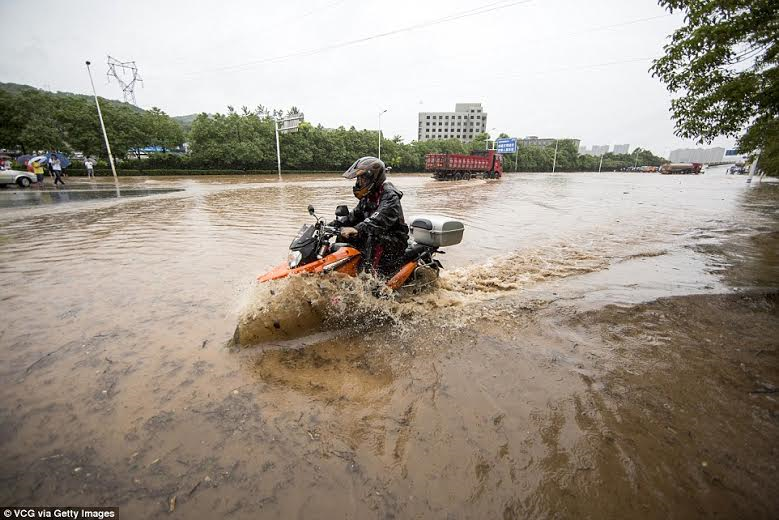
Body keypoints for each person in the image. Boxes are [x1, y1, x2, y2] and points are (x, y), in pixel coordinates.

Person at [337, 156, 409, 277]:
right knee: (344, 236)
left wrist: (357, 228)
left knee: (372, 237)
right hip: (375, 233)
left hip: (395, 239)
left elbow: (379, 219)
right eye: (358, 179)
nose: (359, 182)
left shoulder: (389, 195)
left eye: (363, 178)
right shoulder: (368, 196)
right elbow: (353, 216)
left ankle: (371, 279)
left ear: (374, 177)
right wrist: (331, 226)